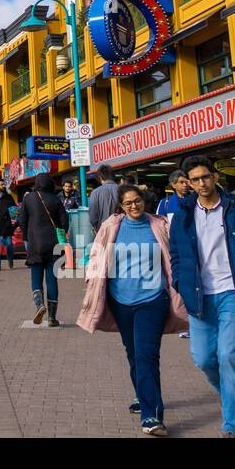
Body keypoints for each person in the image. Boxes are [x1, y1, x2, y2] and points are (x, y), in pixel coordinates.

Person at [168, 155, 235, 437]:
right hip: (199, 297)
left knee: (229, 357)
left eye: (205, 177)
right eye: (195, 180)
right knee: (203, 359)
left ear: (215, 177)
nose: (201, 183)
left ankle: (233, 424)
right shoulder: (184, 215)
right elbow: (175, 253)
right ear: (188, 183)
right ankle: (230, 395)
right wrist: (180, 282)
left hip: (232, 293)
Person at [78, 183, 188, 435]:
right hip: (121, 301)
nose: (134, 206)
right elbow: (97, 257)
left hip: (152, 300)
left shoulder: (159, 225)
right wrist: (91, 283)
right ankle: (142, 393)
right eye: (128, 203)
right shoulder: (111, 227)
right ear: (121, 206)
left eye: (137, 201)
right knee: (133, 352)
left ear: (144, 200)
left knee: (147, 355)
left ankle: (152, 416)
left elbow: (176, 255)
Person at [19, 173, 68, 326]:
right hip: (54, 245)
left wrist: (28, 235)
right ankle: (52, 318)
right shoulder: (56, 199)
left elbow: (21, 220)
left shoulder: (29, 198)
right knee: (52, 280)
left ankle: (40, 306)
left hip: (35, 244)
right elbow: (64, 223)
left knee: (36, 277)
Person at [88, 164, 120, 234]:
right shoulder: (122, 190)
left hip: (102, 231)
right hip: (120, 229)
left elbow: (93, 216)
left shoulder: (95, 192)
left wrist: (96, 228)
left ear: (100, 177)